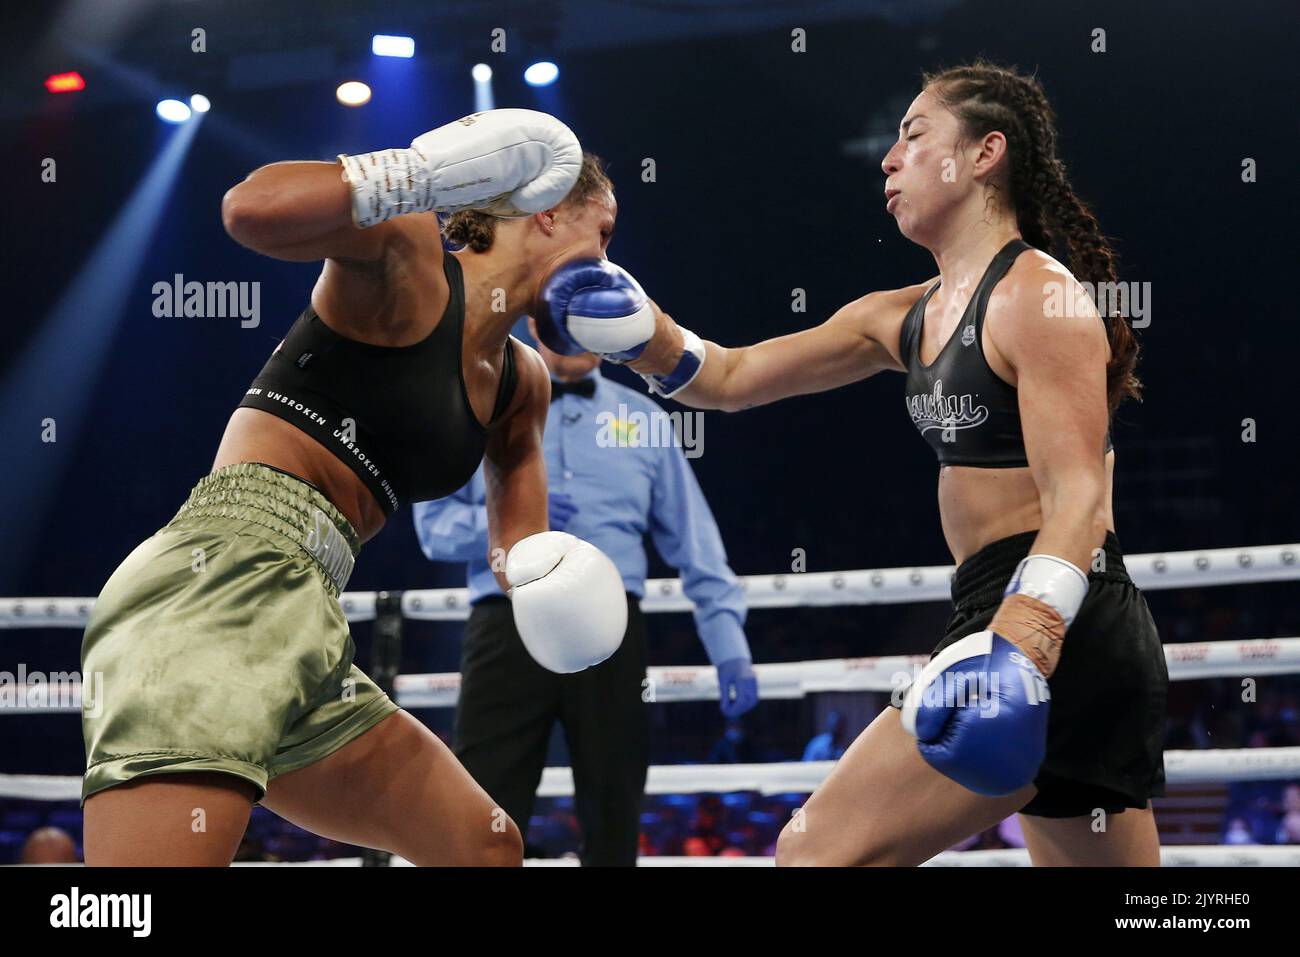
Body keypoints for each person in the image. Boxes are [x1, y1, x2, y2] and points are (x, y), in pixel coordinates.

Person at [538, 61, 1168, 866]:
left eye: (914, 134)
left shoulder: (1038, 299)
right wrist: (643, 334)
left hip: (1054, 616)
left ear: (984, 155)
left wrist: (1025, 639)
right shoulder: (898, 316)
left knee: (814, 853)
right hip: (1012, 614)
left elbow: (1078, 495)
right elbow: (728, 378)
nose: (888, 157)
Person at [80, 109, 632, 865]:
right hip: (219, 584)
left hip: (310, 621)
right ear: (544, 213)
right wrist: (415, 176)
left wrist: (560, 586)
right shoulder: (406, 250)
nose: (608, 262)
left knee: (486, 846)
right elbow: (250, 209)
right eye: (600, 233)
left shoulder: (519, 384)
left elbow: (519, 551)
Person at [414, 317, 756, 865]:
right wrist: (510, 523)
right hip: (508, 621)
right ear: (533, 322)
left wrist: (729, 644)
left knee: (614, 807)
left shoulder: (642, 418)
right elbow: (433, 531)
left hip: (612, 629)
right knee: (483, 808)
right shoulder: (479, 407)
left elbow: (695, 540)